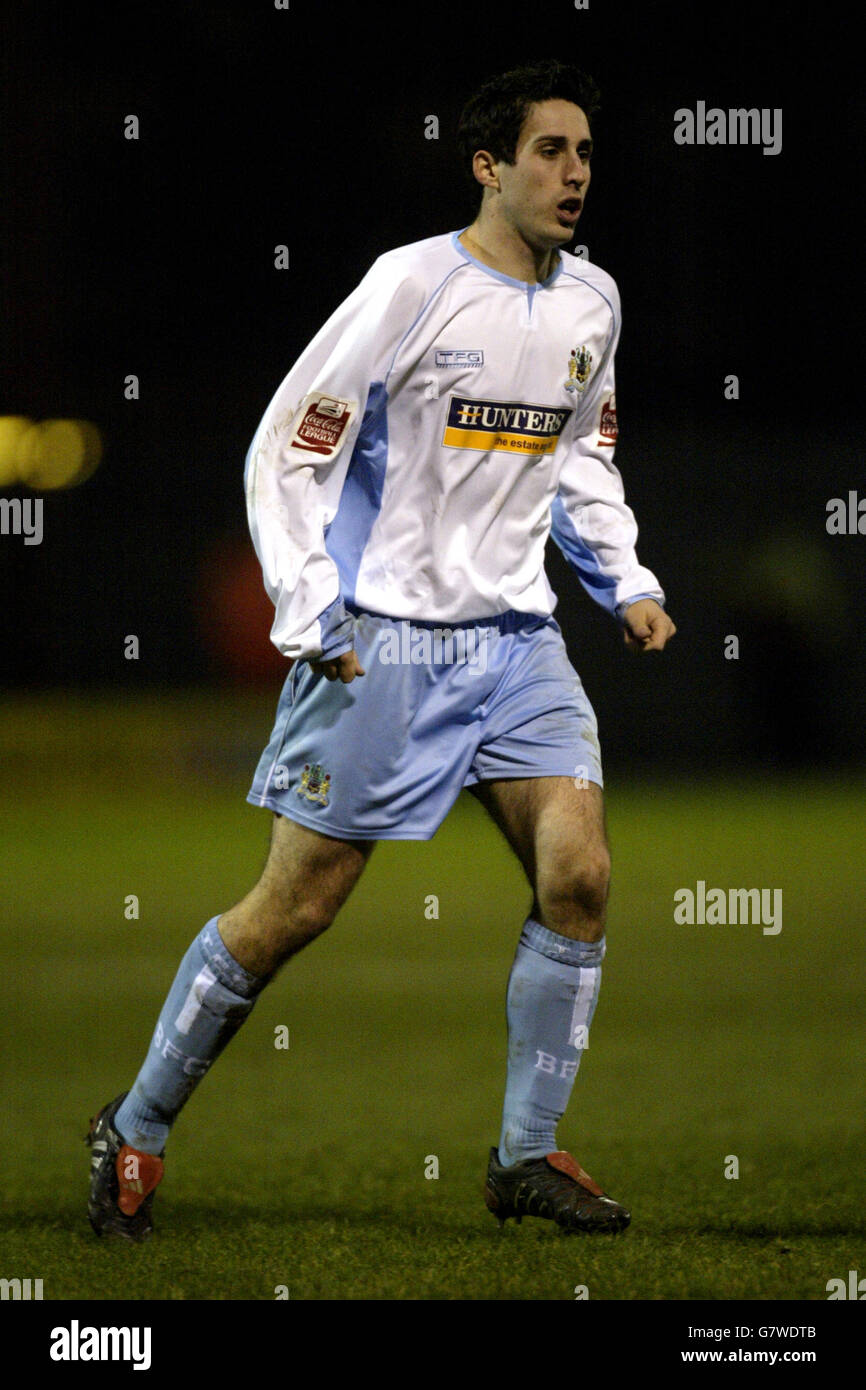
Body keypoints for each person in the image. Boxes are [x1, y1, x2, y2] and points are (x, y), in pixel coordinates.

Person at [86, 58, 676, 1241]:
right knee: (293, 909)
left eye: (584, 154)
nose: (573, 175)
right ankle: (136, 1127)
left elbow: (580, 461)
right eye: (548, 152)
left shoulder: (591, 305)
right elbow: (288, 449)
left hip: (517, 646)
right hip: (386, 649)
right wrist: (310, 610)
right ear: (487, 166)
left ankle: (525, 1154)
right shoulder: (406, 286)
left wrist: (624, 581)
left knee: (581, 877)